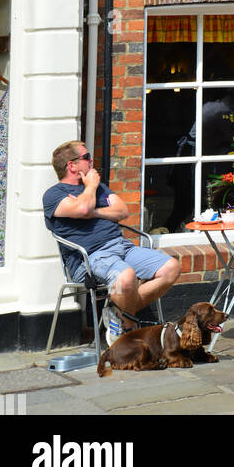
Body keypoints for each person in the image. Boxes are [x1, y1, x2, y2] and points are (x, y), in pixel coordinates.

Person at [43, 141, 181, 344]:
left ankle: (120, 314)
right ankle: (129, 326)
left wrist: (93, 211)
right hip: (90, 258)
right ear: (72, 166)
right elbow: (81, 209)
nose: (91, 161)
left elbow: (122, 211)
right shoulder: (54, 195)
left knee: (172, 267)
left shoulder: (100, 189)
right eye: (86, 157)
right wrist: (90, 187)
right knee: (126, 278)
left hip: (122, 247)